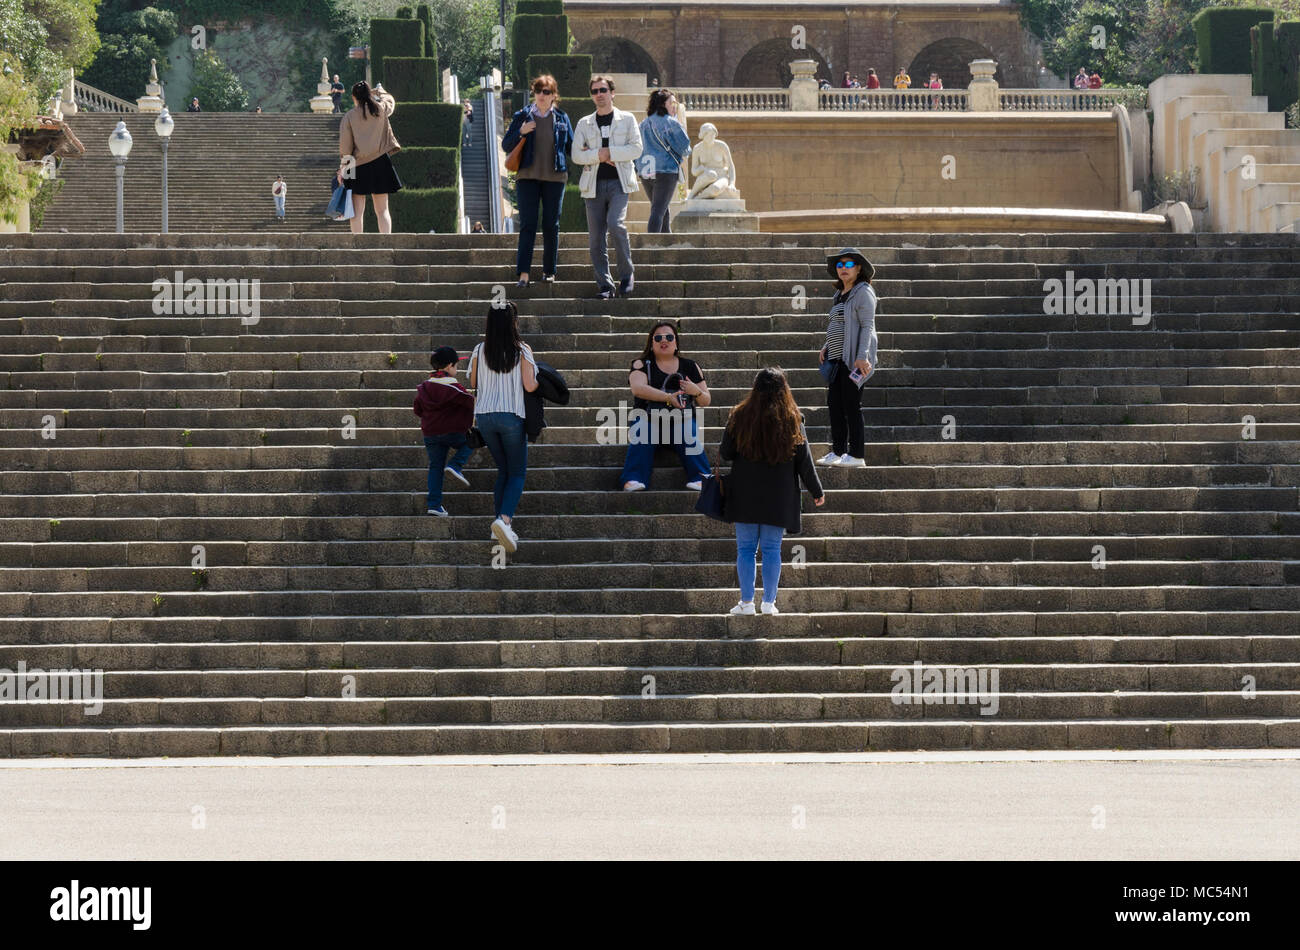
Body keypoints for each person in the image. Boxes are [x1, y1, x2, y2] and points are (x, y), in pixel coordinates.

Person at [721, 368, 825, 616]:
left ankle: (746, 602)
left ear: (755, 388)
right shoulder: (793, 418)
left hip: (745, 492)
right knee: (771, 550)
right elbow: (804, 461)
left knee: (745, 549)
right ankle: (769, 602)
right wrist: (816, 490)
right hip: (779, 495)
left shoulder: (739, 416)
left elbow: (726, 453)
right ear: (784, 389)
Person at [468, 302, 538, 552]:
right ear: (514, 322)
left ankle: (497, 525)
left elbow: (473, 380)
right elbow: (530, 386)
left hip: (485, 418)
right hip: (512, 417)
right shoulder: (522, 349)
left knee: (503, 470)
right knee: (517, 472)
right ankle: (504, 519)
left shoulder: (479, 349)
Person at [571, 74, 642, 299]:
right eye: (595, 91)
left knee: (616, 223)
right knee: (595, 239)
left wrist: (610, 153)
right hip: (593, 184)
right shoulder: (584, 123)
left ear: (612, 93)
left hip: (619, 183)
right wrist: (598, 156)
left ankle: (627, 274)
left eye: (603, 90)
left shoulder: (628, 119)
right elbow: (575, 155)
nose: (599, 95)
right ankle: (605, 285)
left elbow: (637, 149)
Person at [620, 321, 712, 492]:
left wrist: (695, 391)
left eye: (669, 337)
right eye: (658, 337)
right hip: (648, 418)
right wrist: (668, 397)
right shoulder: (641, 364)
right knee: (644, 429)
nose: (664, 340)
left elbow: (706, 400)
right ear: (651, 343)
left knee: (685, 429)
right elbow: (638, 389)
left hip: (680, 421)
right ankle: (633, 479)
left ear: (676, 342)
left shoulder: (690, 366)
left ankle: (701, 478)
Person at [502, 74, 573, 287]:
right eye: (539, 90)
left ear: (553, 95)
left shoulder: (562, 118)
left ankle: (549, 271)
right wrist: (521, 132)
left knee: (552, 225)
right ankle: (524, 273)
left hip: (555, 177)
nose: (542, 95)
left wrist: (591, 156)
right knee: (528, 224)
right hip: (527, 177)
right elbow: (506, 145)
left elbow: (572, 147)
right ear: (534, 92)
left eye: (547, 91)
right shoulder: (522, 116)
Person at [817, 247, 878, 468]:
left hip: (854, 359)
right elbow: (839, 324)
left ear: (859, 268)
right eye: (840, 265)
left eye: (849, 264)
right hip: (836, 359)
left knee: (852, 405)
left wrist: (862, 357)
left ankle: (857, 455)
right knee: (835, 405)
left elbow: (867, 326)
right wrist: (826, 346)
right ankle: (839, 451)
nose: (843, 268)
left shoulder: (863, 292)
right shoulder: (839, 294)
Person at [413, 346, 475, 517]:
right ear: (449, 366)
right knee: (473, 440)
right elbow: (471, 402)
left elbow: (417, 409)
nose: (457, 368)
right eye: (456, 365)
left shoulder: (424, 386)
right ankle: (456, 464)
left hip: (431, 434)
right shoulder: (454, 386)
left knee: (435, 467)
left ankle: (434, 505)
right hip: (452, 431)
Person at [337, 80, 402, 235]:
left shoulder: (349, 117)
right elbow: (390, 100)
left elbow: (346, 148)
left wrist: (343, 171)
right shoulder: (379, 108)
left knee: (357, 212)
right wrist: (379, 91)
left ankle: (358, 246)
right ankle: (387, 243)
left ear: (354, 97)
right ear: (368, 95)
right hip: (381, 162)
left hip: (358, 165)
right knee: (382, 210)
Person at [638, 88, 691, 234]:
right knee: (658, 211)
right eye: (672, 102)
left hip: (645, 172)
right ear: (662, 104)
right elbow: (685, 149)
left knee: (661, 209)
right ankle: (652, 248)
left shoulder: (643, 124)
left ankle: (665, 243)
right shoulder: (671, 123)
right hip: (665, 171)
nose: (675, 105)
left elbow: (637, 149)